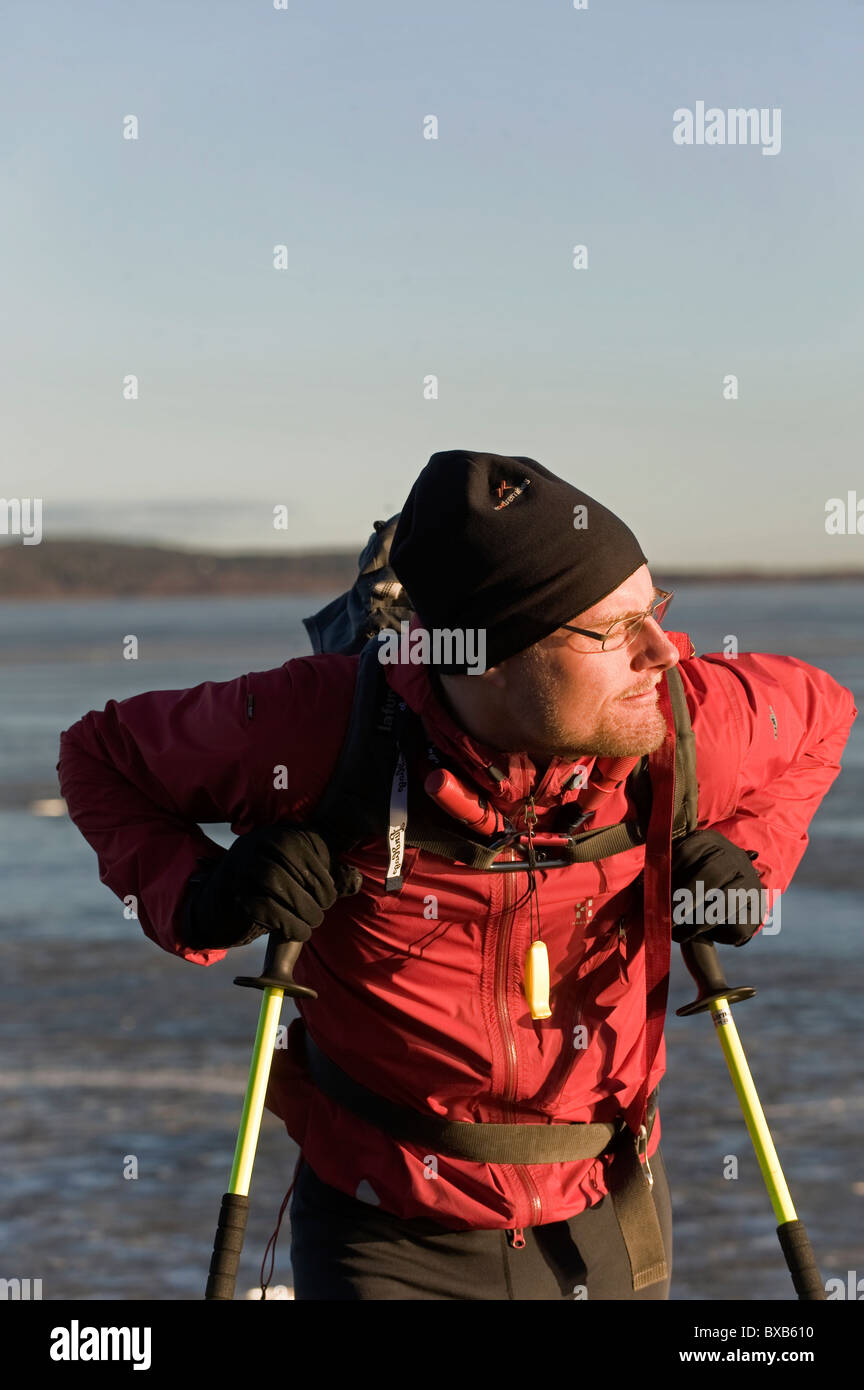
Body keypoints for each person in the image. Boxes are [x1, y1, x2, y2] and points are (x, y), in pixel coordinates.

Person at [57, 450, 857, 1302]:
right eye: (611, 630)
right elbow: (100, 759)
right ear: (493, 657)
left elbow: (824, 717)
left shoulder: (682, 720)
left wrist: (749, 863)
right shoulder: (317, 726)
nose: (662, 650)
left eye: (653, 610)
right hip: (386, 1229)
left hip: (607, 1216)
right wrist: (202, 895)